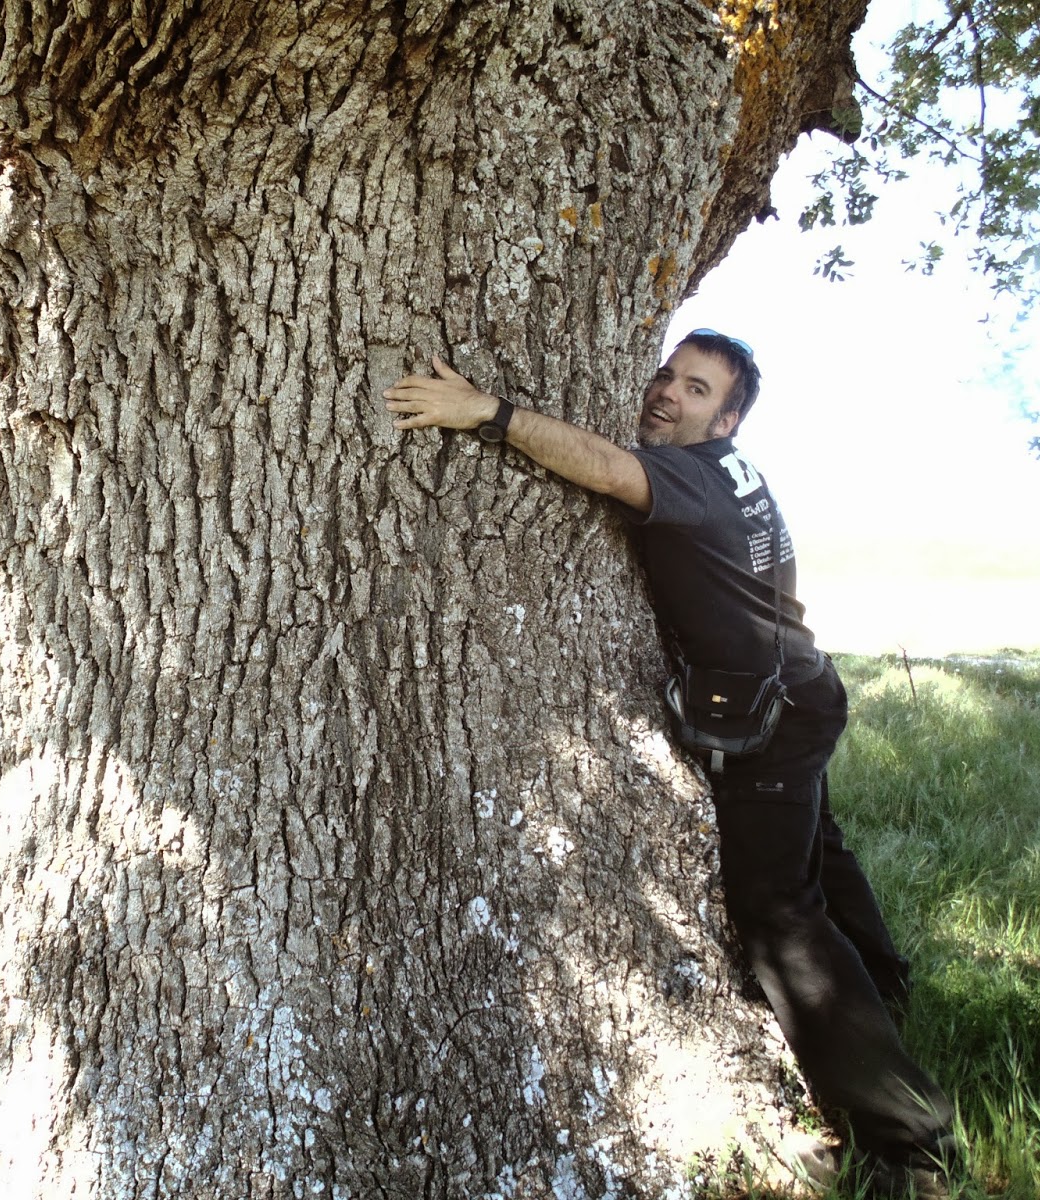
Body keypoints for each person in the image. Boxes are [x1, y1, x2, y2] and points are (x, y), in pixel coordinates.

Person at [383, 332, 956, 1198]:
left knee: (780, 917)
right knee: (822, 859)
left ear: (725, 417)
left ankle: (912, 1145)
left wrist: (490, 414)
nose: (665, 395)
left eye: (695, 390)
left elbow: (611, 471)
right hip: (802, 688)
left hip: (772, 716)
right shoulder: (732, 469)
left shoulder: (687, 478)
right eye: (666, 375)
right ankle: (889, 1000)